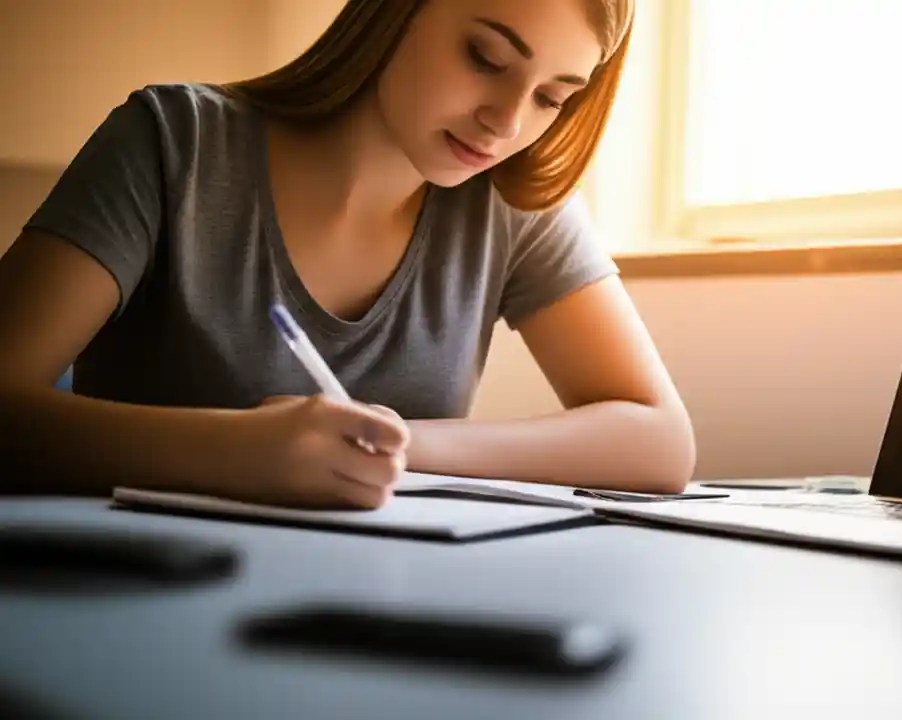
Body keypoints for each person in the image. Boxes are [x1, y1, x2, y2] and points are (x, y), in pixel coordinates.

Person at [0, 0, 695, 508]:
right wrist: (236, 453)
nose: (508, 123)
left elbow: (660, 442)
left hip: (377, 611)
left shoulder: (510, 204)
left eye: (552, 97)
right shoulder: (171, 143)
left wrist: (392, 445)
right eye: (486, 58)